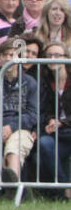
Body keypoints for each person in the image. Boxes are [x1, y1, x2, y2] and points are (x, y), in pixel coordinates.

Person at [0, 37, 39, 185]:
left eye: (13, 55)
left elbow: (32, 114)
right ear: (0, 58)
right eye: (5, 55)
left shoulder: (30, 83)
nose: (9, 59)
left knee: (13, 150)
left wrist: (10, 126)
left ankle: (13, 188)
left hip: (20, 127)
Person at [34, 39, 71, 196]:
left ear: (65, 58)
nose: (53, 59)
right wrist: (50, 120)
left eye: (57, 55)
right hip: (56, 133)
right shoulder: (45, 82)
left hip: (67, 129)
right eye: (49, 56)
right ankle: (65, 188)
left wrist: (62, 123)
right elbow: (46, 109)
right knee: (44, 145)